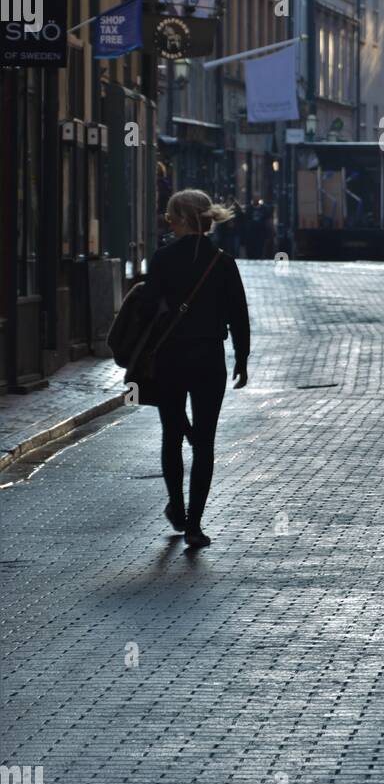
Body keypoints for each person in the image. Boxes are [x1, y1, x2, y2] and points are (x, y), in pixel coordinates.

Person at [139, 189, 250, 548]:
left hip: (170, 358)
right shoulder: (223, 261)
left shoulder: (162, 258)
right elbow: (238, 316)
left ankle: (177, 505)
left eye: (169, 217)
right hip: (208, 360)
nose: (167, 223)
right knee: (205, 443)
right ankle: (195, 526)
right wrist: (242, 359)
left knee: (172, 434)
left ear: (179, 219)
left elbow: (145, 310)